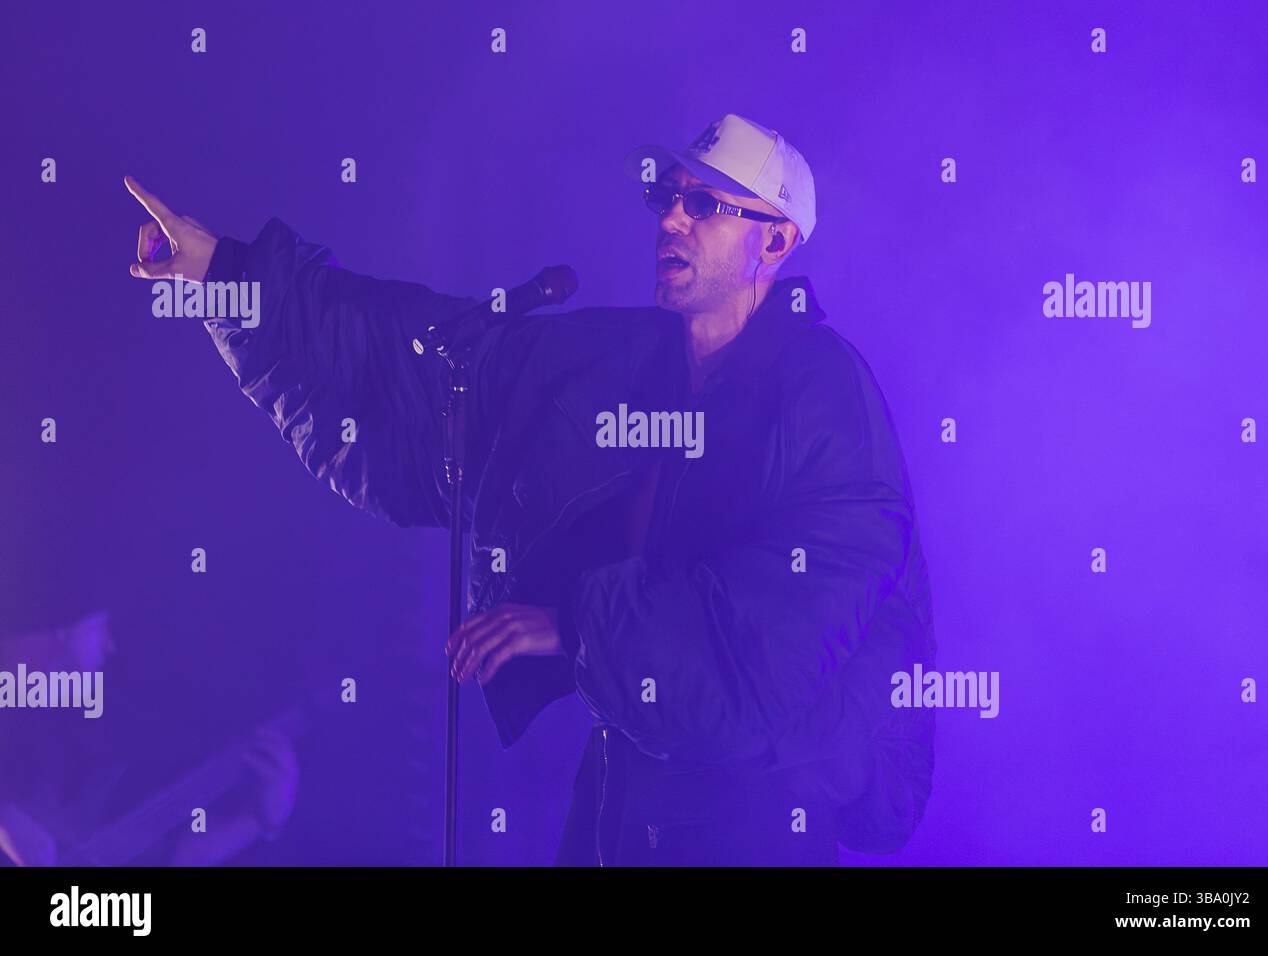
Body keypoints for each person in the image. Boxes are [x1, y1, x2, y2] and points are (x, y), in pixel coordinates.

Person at [124, 113, 937, 866]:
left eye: (703, 204)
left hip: (760, 813)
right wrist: (228, 277)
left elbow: (775, 630)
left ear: (776, 241)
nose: (670, 219)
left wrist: (577, 622)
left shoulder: (824, 393)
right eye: (665, 197)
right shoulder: (633, 364)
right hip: (627, 793)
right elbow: (425, 356)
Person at [0, 612, 299, 866]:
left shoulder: (90, 729)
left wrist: (260, 821)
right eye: (97, 626)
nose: (109, 645)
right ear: (57, 631)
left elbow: (168, 856)